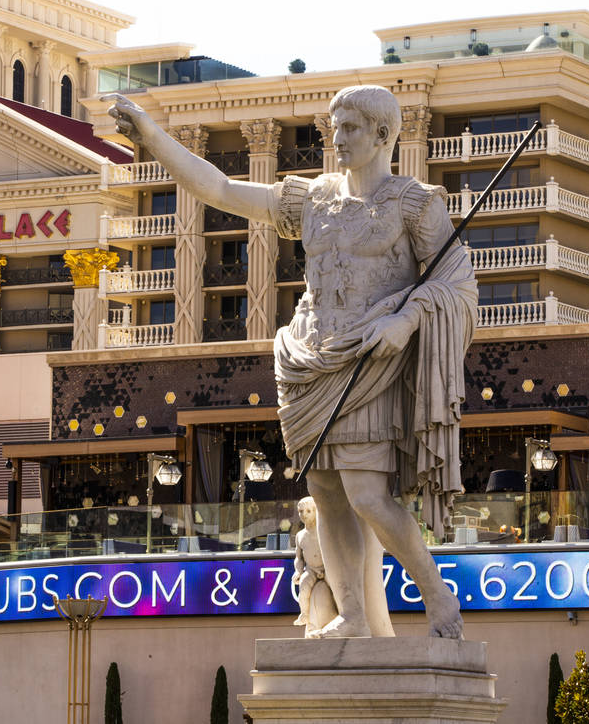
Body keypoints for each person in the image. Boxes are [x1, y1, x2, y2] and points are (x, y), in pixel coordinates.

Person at [106, 85, 477, 639]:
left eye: (351, 126)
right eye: (334, 124)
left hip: (368, 365)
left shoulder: (414, 203)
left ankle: (437, 596)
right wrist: (154, 137)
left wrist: (404, 320)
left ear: (383, 135)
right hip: (310, 364)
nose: (338, 136)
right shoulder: (312, 198)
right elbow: (222, 188)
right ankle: (352, 614)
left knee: (368, 495)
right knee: (327, 493)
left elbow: (457, 284)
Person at [292, 496, 337, 635]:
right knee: (303, 589)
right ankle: (304, 614)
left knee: (336, 589)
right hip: (311, 569)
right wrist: (298, 571)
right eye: (300, 511)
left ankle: (342, 612)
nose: (304, 514)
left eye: (308, 511)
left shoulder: (324, 531)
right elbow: (298, 558)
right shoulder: (300, 535)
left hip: (327, 568)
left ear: (316, 511)